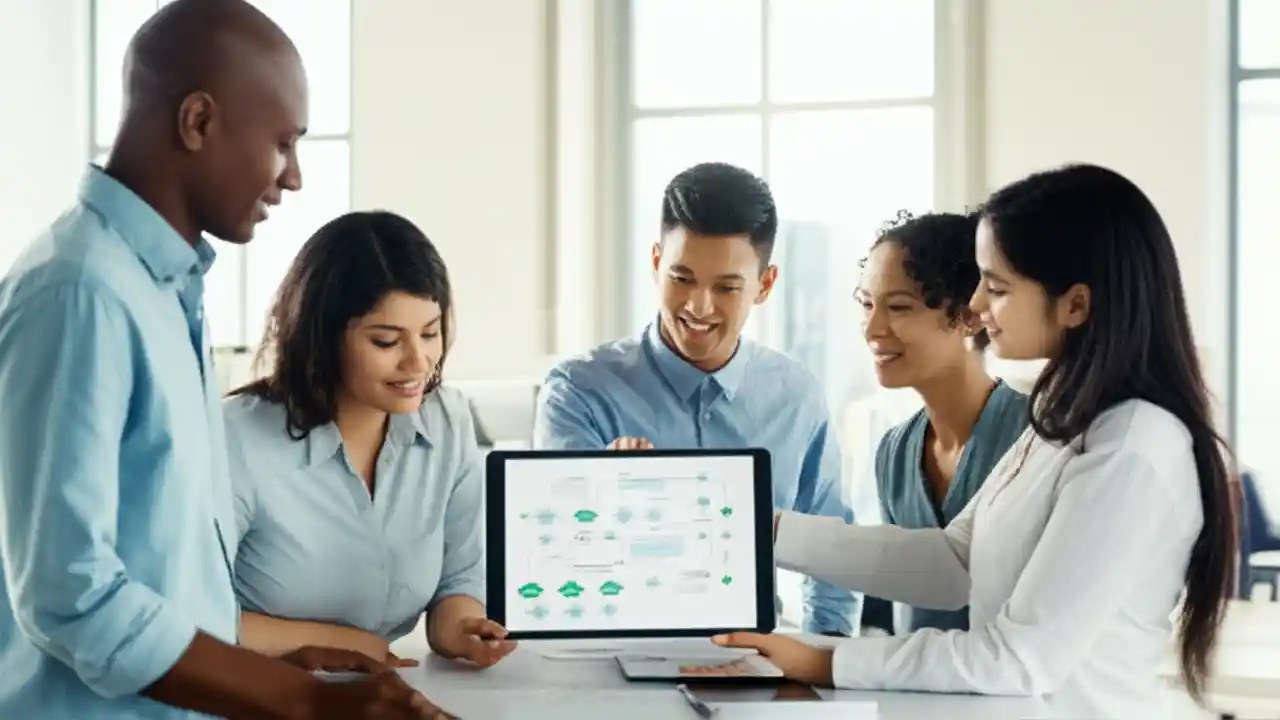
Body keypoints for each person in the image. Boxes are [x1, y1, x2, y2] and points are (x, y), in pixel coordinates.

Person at [0, 1, 448, 718]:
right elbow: (69, 594)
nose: (294, 176)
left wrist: (249, 669)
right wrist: (302, 700)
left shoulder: (166, 291)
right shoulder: (80, 292)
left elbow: (161, 573)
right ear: (198, 122)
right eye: (282, 143)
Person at [708, 164, 1236, 719]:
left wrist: (824, 660)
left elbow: (1017, 658)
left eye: (998, 286)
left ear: (1076, 305)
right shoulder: (1063, 423)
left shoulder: (1132, 445)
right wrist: (763, 530)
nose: (977, 306)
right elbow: (954, 562)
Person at [534, 162, 858, 636]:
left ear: (764, 285)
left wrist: (825, 661)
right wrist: (606, 498)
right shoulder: (578, 391)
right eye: (681, 278)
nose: (698, 307)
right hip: (606, 652)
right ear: (654, 262)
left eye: (726, 287)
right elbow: (558, 557)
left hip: (752, 656)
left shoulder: (797, 396)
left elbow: (832, 551)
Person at [225, 211, 516, 669]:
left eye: (430, 333)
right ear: (322, 337)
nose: (418, 362)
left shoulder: (447, 420)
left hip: (380, 694)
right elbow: (189, 613)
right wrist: (349, 644)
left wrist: (460, 626)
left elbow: (460, 575)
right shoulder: (236, 438)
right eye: (386, 342)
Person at [857, 211, 1029, 634]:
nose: (872, 328)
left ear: (969, 314)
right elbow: (885, 607)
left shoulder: (1035, 432)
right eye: (866, 304)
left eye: (898, 307)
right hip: (915, 692)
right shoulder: (894, 453)